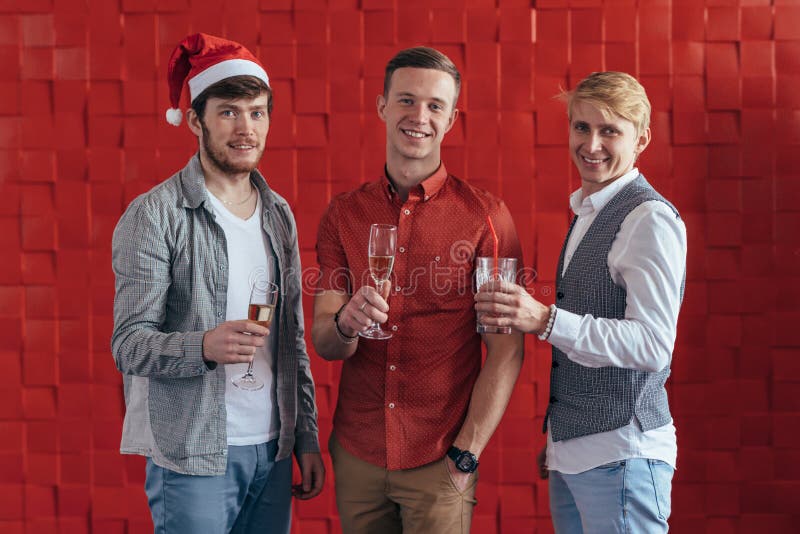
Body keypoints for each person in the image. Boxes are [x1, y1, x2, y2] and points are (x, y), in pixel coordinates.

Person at [111, 33, 324, 534]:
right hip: (192, 451)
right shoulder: (154, 215)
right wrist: (203, 346)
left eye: (257, 112)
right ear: (194, 121)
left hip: (273, 448)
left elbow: (291, 338)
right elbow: (128, 345)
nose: (245, 128)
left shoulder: (278, 214)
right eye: (228, 112)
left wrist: (306, 437)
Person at [311, 47, 524, 533]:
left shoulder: (487, 219)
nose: (419, 116)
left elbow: (506, 351)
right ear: (382, 106)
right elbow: (325, 341)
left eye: (434, 105)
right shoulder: (343, 215)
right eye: (406, 100)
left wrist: (466, 454)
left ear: (451, 119)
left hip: (439, 459)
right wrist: (346, 322)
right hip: (357, 454)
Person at [475, 71, 687, 533]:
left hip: (623, 455)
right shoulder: (590, 211)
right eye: (581, 127)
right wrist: (560, 441)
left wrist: (545, 319)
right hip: (576, 455)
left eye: (610, 130)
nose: (591, 144)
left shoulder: (647, 218)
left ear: (642, 139)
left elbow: (653, 345)